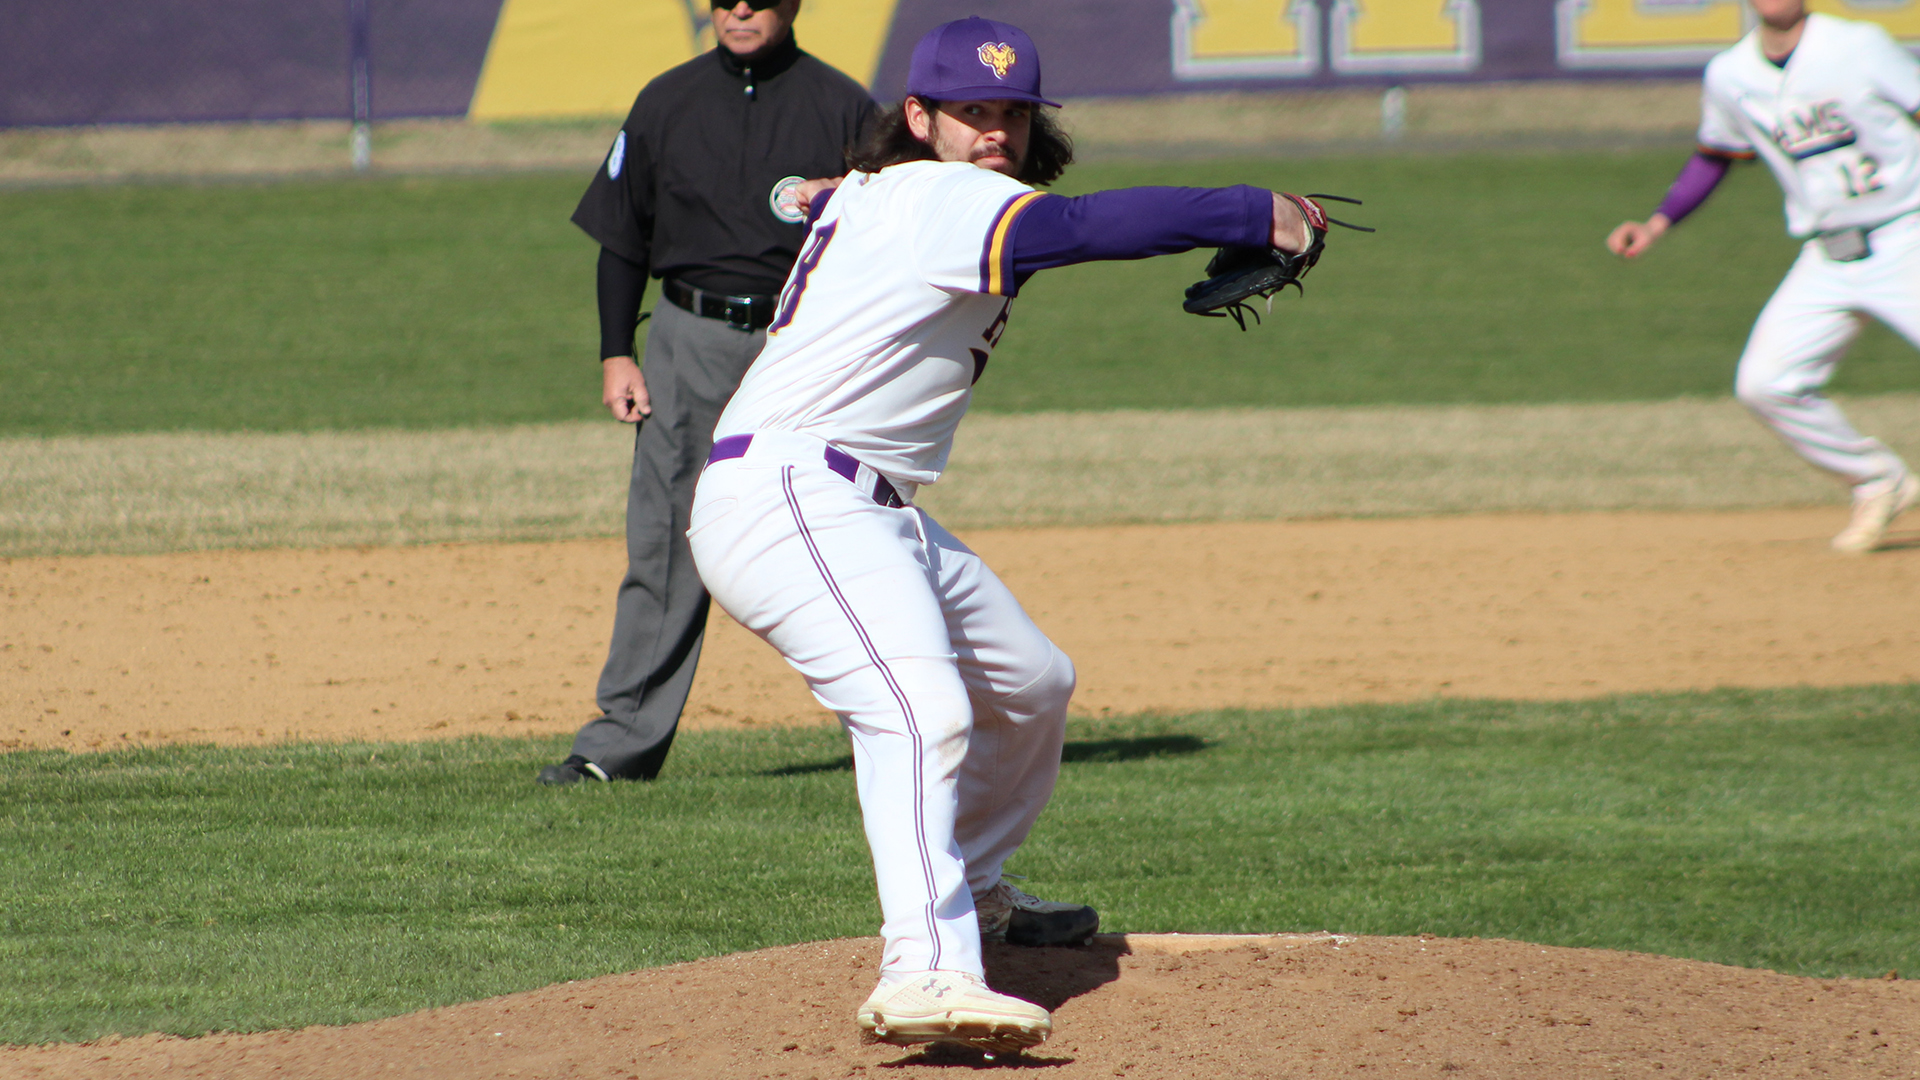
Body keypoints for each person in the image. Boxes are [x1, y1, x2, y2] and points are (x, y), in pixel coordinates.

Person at [686, 17, 1324, 1052]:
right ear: (920, 117)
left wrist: (825, 195)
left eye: (1011, 114)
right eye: (971, 112)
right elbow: (1080, 230)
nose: (994, 132)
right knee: (920, 709)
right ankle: (924, 972)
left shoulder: (892, 190)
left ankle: (975, 889)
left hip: (872, 505)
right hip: (792, 493)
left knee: (1030, 682)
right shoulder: (943, 193)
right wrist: (1258, 209)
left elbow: (846, 201)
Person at [539, 1, 876, 785]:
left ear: (792, 4)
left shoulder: (845, 106)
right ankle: (618, 744)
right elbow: (622, 236)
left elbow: (890, 235)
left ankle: (894, 713)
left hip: (801, 347)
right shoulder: (668, 99)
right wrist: (615, 354)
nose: (739, 9)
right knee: (662, 538)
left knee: (845, 528)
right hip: (687, 341)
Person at [1608, 0, 1920, 553]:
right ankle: (1878, 479)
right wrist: (1657, 224)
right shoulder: (1730, 74)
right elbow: (1715, 154)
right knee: (1766, 383)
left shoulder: (1858, 44)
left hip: (1907, 233)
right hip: (1827, 255)